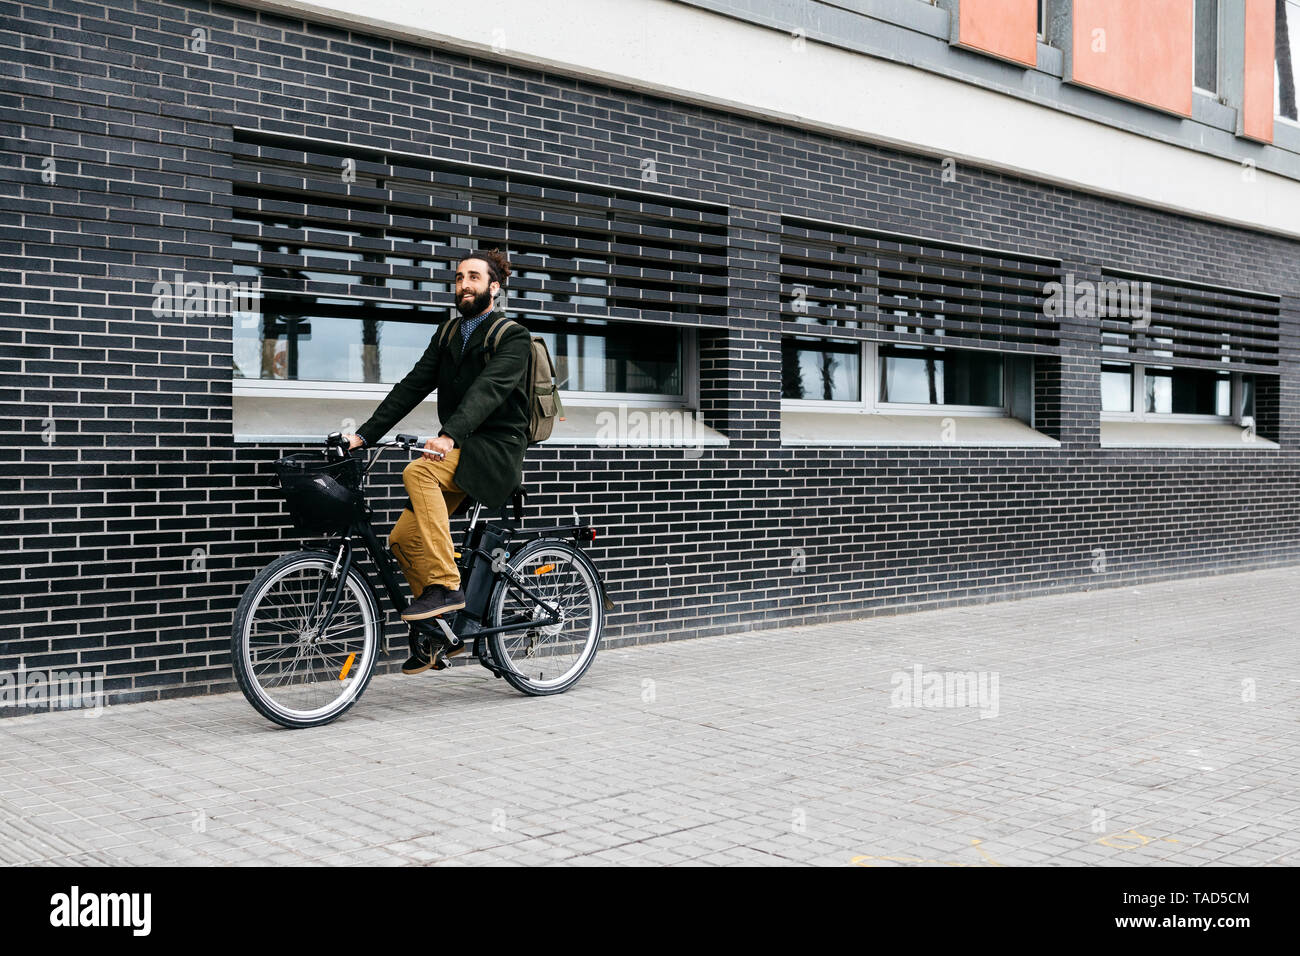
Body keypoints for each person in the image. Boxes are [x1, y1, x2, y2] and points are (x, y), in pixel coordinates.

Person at [342, 248, 531, 673]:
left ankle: (446, 587)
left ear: (494, 287)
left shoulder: (511, 336)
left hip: (495, 449)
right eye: (460, 278)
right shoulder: (448, 334)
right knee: (403, 540)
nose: (464, 285)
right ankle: (438, 632)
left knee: (419, 470)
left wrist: (448, 435)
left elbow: (487, 391)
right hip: (462, 447)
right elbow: (412, 386)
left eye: (474, 278)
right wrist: (363, 435)